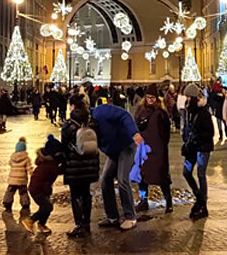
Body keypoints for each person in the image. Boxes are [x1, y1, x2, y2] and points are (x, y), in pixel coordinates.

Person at [92, 98, 143, 231]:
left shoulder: (101, 112)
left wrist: (134, 132)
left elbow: (124, 115)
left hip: (126, 146)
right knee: (105, 179)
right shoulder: (86, 131)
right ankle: (112, 216)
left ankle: (130, 217)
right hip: (114, 151)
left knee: (122, 179)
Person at [61, 96, 100, 238]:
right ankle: (87, 224)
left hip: (74, 167)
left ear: (72, 106)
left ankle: (79, 225)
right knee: (86, 194)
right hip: (90, 165)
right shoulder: (92, 122)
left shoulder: (68, 125)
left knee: (75, 196)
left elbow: (64, 146)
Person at [133, 85, 173, 213]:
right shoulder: (140, 110)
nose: (150, 99)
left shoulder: (161, 113)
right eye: (148, 97)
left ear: (157, 98)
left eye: (153, 97)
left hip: (158, 149)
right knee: (143, 178)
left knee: (162, 177)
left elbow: (166, 131)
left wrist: (162, 145)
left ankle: (169, 201)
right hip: (144, 149)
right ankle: (143, 200)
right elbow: (135, 128)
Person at [181, 83, 214, 220]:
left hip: (202, 148)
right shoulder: (188, 111)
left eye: (189, 97)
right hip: (191, 148)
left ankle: (203, 205)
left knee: (201, 173)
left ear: (194, 98)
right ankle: (199, 197)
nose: (187, 99)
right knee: (186, 172)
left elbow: (210, 132)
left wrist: (197, 138)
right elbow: (188, 128)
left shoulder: (204, 113)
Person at [23, 135, 63, 234]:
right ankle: (30, 220)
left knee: (45, 207)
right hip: (37, 189)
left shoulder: (46, 161)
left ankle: (42, 224)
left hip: (36, 187)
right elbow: (58, 171)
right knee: (47, 207)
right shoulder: (51, 165)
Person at [3, 137, 33, 211]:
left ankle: (7, 203)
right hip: (22, 180)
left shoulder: (13, 157)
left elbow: (10, 163)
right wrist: (32, 174)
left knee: (10, 191)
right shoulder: (26, 158)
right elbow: (29, 168)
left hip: (12, 179)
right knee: (23, 192)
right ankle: (25, 204)